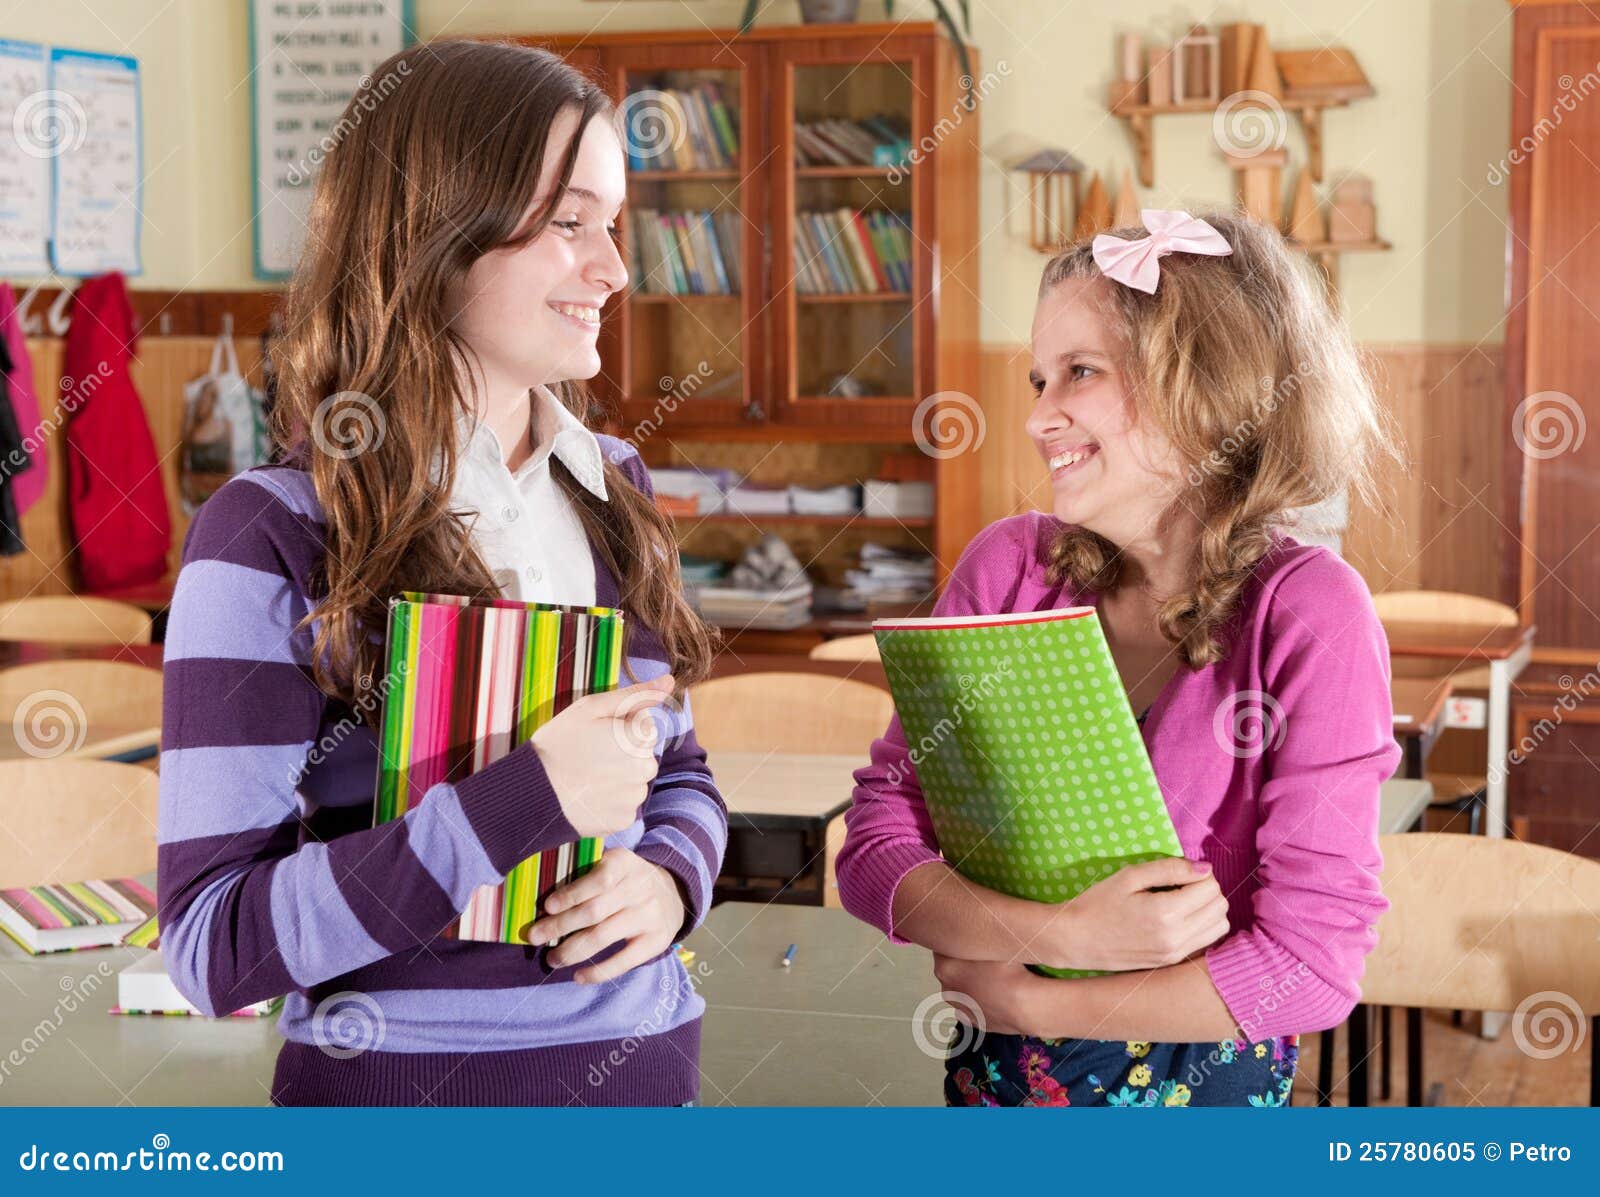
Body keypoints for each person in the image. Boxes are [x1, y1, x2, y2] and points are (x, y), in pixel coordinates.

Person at [157, 39, 725, 1107]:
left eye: (613, 227)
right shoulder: (269, 533)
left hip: (648, 1081)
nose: (613, 268)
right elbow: (212, 945)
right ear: (432, 237)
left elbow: (679, 773)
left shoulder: (613, 483)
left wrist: (669, 883)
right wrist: (526, 800)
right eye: (570, 223)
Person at [837, 209, 1402, 1107]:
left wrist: (1024, 993)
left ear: (1202, 383)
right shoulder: (1010, 566)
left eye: (1080, 373)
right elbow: (875, 843)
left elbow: (1310, 967)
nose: (1036, 415)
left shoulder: (1308, 613)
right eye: (1036, 378)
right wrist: (1058, 932)